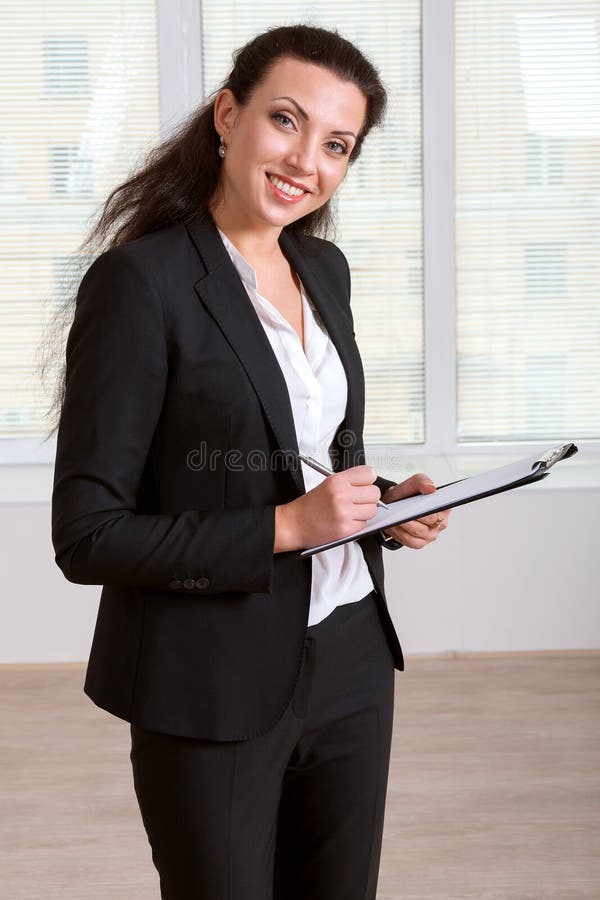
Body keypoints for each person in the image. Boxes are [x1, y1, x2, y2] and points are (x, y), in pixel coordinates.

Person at [51, 23, 449, 900]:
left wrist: (382, 503)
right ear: (228, 116)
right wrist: (284, 528)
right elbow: (88, 536)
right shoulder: (139, 285)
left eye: (337, 144)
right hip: (212, 675)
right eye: (285, 120)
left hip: (350, 656)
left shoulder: (325, 270)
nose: (306, 159)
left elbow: (306, 456)